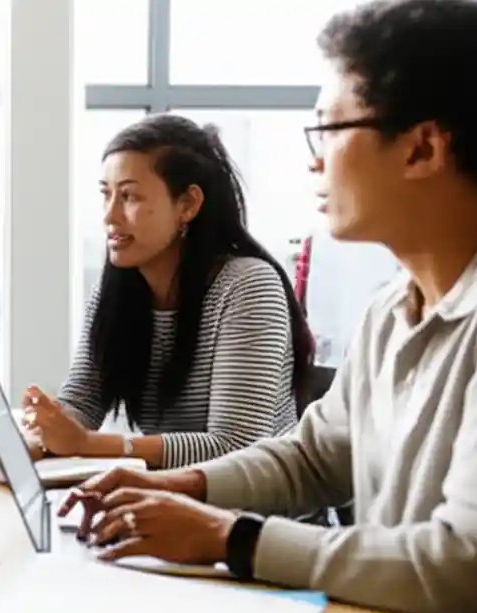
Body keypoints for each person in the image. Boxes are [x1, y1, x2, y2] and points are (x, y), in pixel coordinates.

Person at [61, 0, 477, 613]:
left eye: (328, 131)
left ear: (423, 146)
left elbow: (463, 566)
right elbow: (314, 456)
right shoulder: (390, 308)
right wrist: (181, 487)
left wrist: (229, 537)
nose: (314, 162)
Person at [23, 114, 313, 471]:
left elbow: (236, 447)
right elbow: (82, 402)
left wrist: (86, 444)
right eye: (106, 194)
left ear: (188, 205)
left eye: (128, 196)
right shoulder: (118, 289)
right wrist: (41, 434)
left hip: (254, 513)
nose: (109, 216)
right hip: (167, 500)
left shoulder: (248, 285)